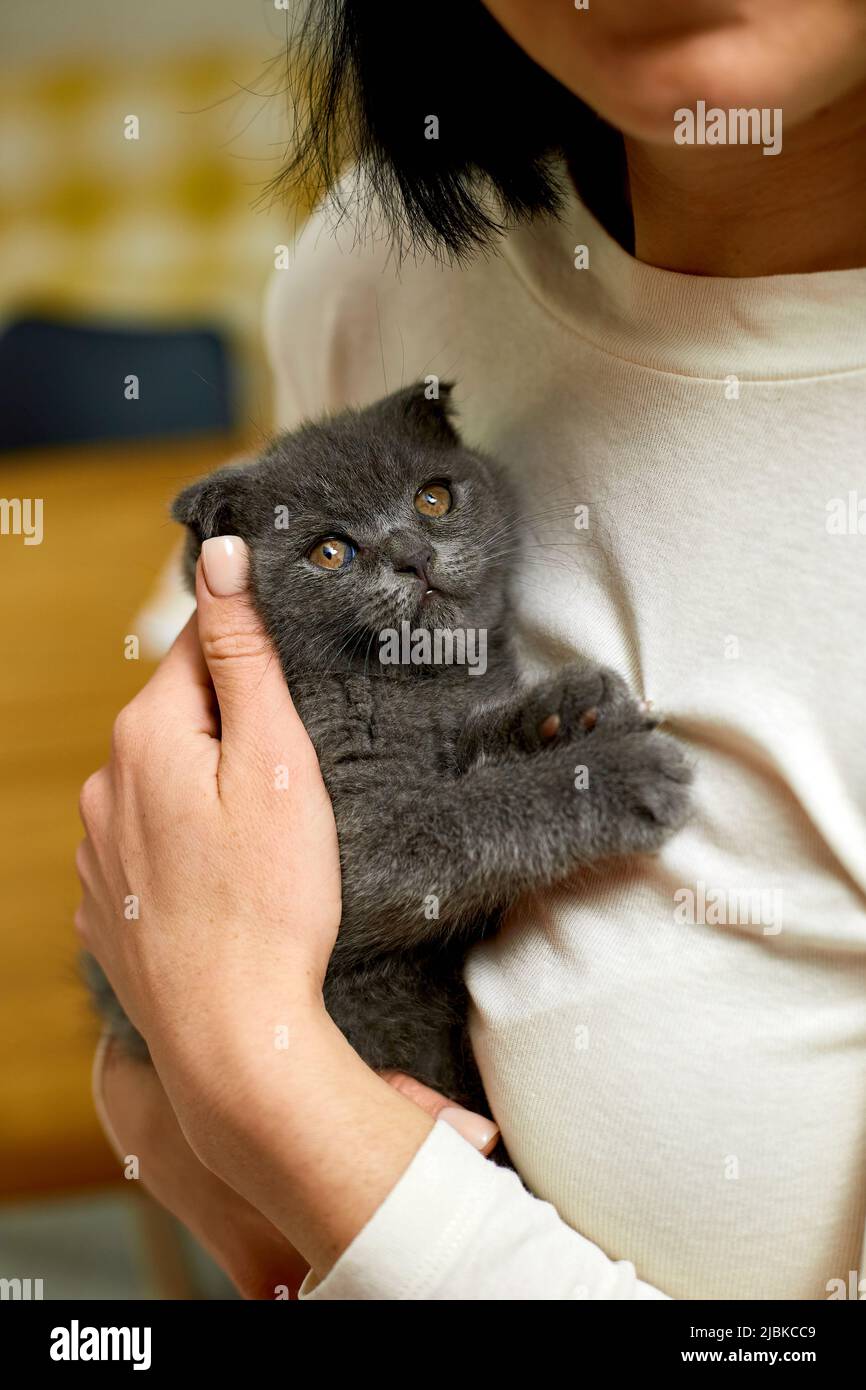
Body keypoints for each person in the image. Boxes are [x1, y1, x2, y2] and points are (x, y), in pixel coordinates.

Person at [77, 0, 866, 1299]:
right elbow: (162, 858)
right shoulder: (391, 250)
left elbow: (224, 986)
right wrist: (162, 1092)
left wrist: (273, 1103)